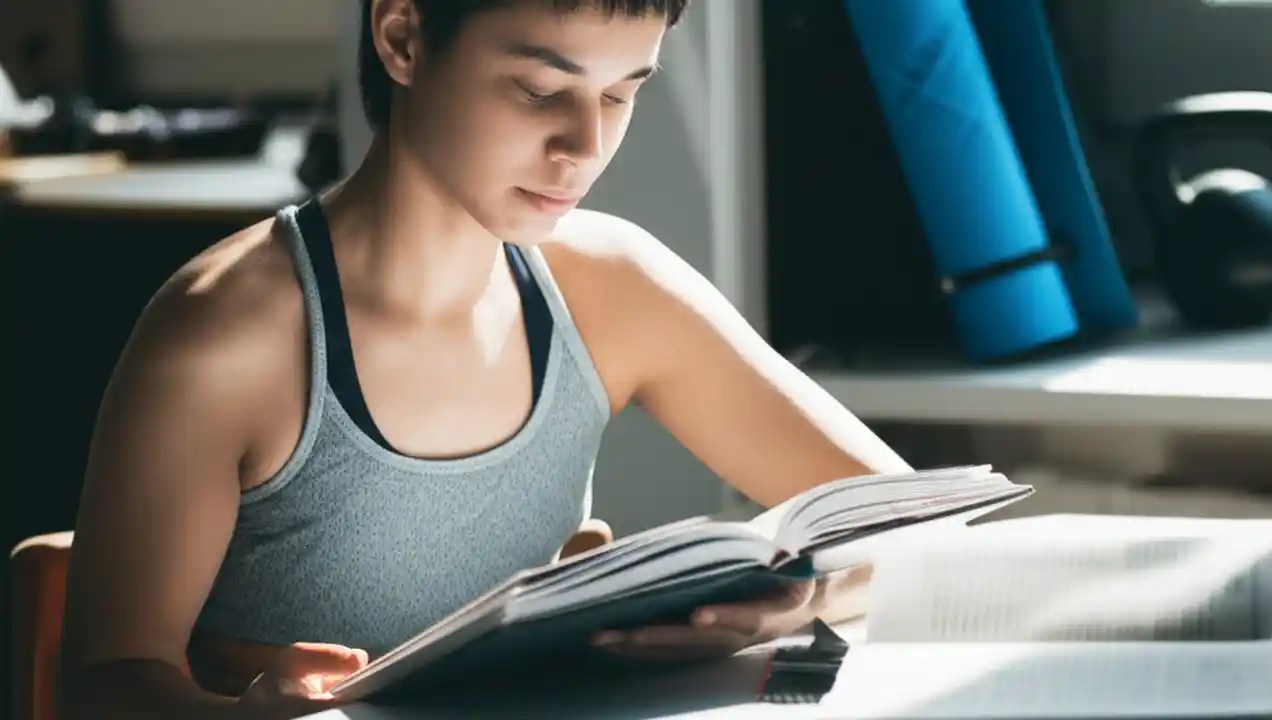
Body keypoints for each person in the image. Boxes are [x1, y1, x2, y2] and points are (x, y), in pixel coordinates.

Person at [58, 1, 910, 718]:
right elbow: (101, 686)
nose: (584, 145)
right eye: (540, 89)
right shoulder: (223, 335)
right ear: (402, 38)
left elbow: (915, 534)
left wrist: (793, 604)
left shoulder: (612, 289)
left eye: (620, 93)